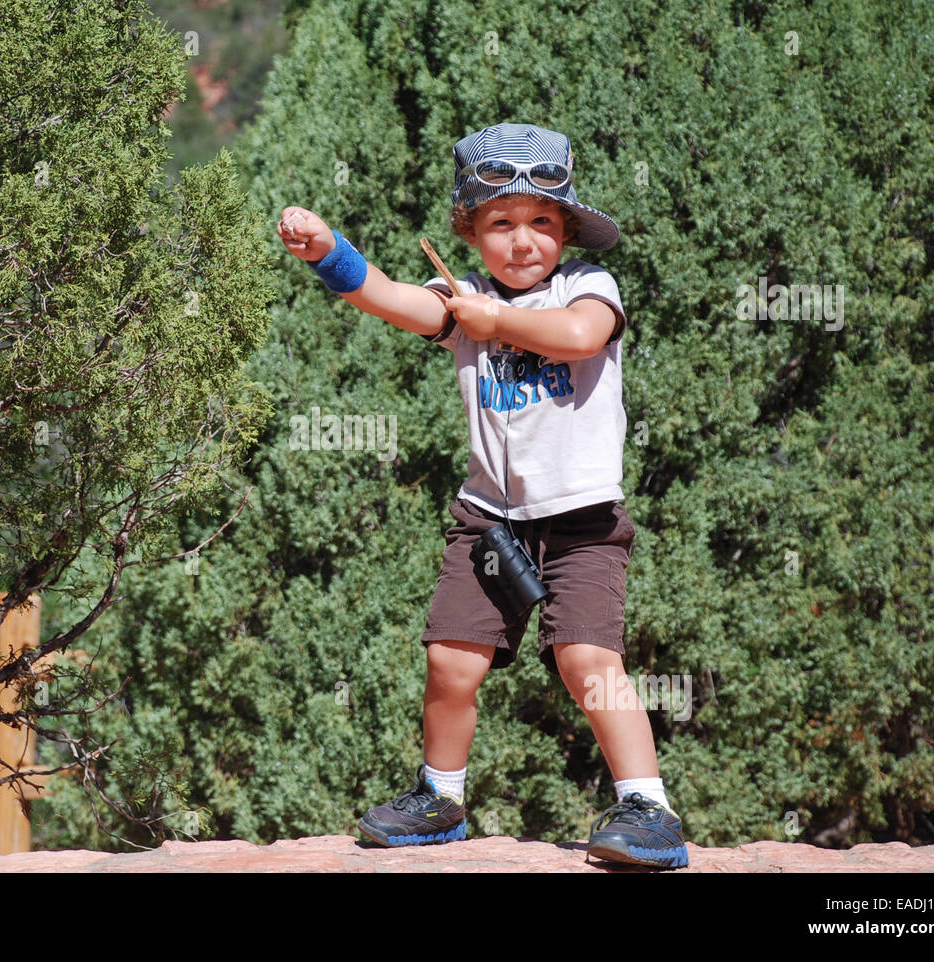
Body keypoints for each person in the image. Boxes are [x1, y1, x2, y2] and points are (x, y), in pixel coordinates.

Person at [276, 122, 688, 869]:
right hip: (488, 520)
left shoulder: (589, 286)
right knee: (450, 662)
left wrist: (497, 320)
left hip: (583, 521)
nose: (523, 240)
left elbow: (578, 337)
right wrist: (329, 253)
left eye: (542, 222)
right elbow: (390, 298)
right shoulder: (459, 299)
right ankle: (441, 795)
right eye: (501, 223)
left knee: (588, 660)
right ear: (471, 232)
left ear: (567, 230)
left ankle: (648, 805)